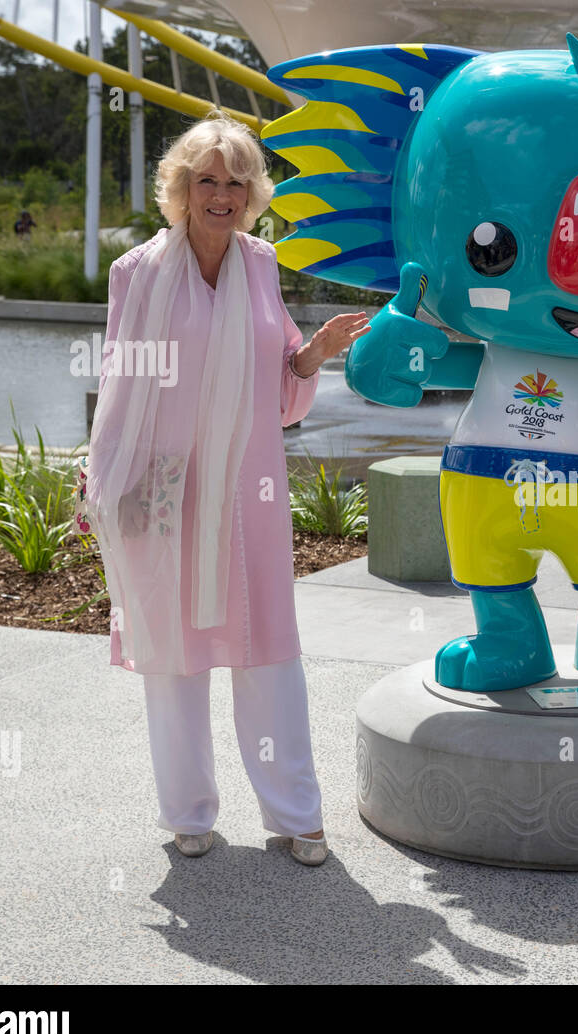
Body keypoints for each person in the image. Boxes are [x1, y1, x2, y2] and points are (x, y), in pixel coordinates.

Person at [87, 112, 371, 864]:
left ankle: (296, 813)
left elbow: (280, 387)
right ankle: (188, 813)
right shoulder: (137, 272)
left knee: (266, 647)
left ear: (253, 193)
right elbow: (122, 382)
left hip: (251, 493)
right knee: (173, 650)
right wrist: (105, 478)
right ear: (180, 189)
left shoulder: (260, 264)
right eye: (206, 180)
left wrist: (315, 353)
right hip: (165, 488)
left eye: (236, 181)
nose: (222, 194)